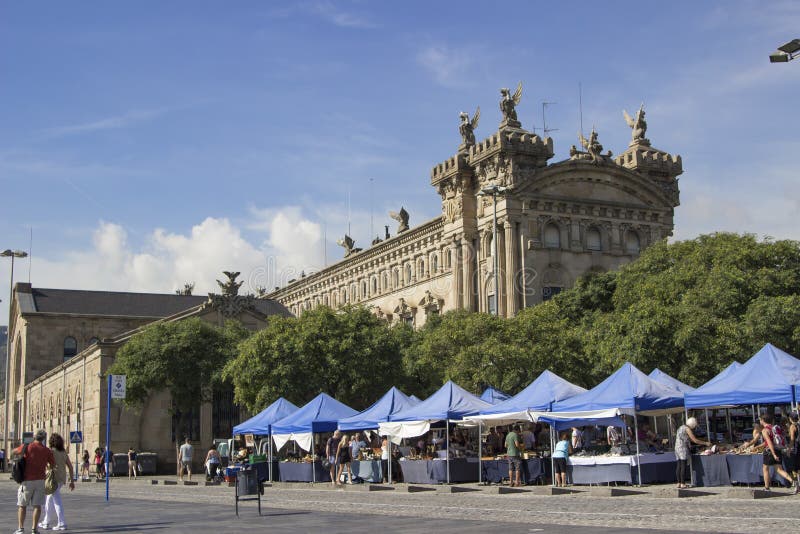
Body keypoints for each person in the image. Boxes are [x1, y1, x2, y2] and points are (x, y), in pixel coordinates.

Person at [13, 429, 55, 534]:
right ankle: (34, 529)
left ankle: (21, 529)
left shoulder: (27, 446)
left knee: (22, 505)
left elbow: (15, 452)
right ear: (43, 438)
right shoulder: (46, 450)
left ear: (34, 437)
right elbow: (53, 464)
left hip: (27, 480)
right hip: (40, 480)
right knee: (37, 506)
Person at [39, 433, 75, 531]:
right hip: (61, 479)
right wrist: (72, 481)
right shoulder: (63, 452)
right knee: (49, 499)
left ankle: (61, 523)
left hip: (53, 479)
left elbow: (45, 464)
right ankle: (46, 521)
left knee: (56, 500)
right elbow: (70, 467)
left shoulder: (51, 452)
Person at [759, 414, 796, 492]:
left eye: (760, 420)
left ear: (763, 420)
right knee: (779, 469)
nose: (760, 421)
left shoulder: (765, 430)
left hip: (769, 452)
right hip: (778, 449)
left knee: (765, 468)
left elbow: (769, 442)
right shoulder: (774, 428)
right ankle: (793, 482)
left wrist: (773, 454)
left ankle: (767, 487)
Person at [675, 417, 710, 489]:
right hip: (683, 448)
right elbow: (695, 440)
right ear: (693, 425)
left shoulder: (681, 427)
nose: (694, 427)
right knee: (683, 466)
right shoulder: (687, 429)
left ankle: (679, 483)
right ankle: (683, 483)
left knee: (679, 465)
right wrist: (705, 443)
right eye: (695, 425)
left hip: (677, 448)